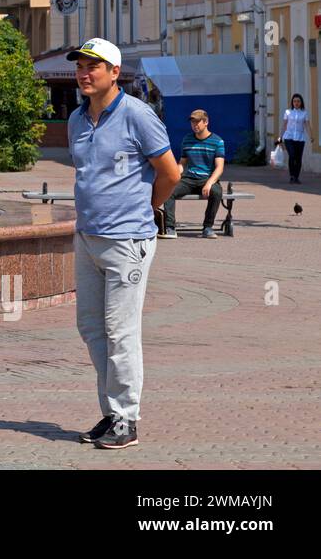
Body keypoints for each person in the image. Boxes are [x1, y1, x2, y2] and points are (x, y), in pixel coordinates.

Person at [66, 38, 180, 450]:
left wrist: (147, 208)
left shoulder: (137, 115)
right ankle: (112, 413)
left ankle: (127, 418)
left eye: (93, 66)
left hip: (127, 240)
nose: (84, 72)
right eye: (80, 65)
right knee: (92, 327)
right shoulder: (77, 119)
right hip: (88, 237)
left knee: (120, 330)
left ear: (115, 73)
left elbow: (169, 171)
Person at [162, 110, 225, 239]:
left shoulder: (217, 141)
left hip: (207, 179)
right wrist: (175, 174)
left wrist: (209, 184)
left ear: (206, 122)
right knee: (168, 191)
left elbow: (219, 168)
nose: (194, 124)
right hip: (189, 178)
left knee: (217, 192)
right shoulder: (187, 140)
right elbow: (182, 163)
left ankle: (207, 228)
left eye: (197, 121)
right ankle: (170, 228)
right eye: (192, 122)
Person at [278, 93, 312, 184]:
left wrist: (311, 136)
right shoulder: (288, 112)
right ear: (292, 102)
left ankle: (296, 177)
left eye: (298, 101)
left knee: (298, 158)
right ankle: (292, 176)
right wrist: (280, 138)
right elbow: (284, 125)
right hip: (289, 137)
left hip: (300, 138)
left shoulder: (304, 113)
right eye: (294, 101)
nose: (296, 103)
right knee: (292, 155)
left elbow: (307, 125)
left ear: (301, 102)